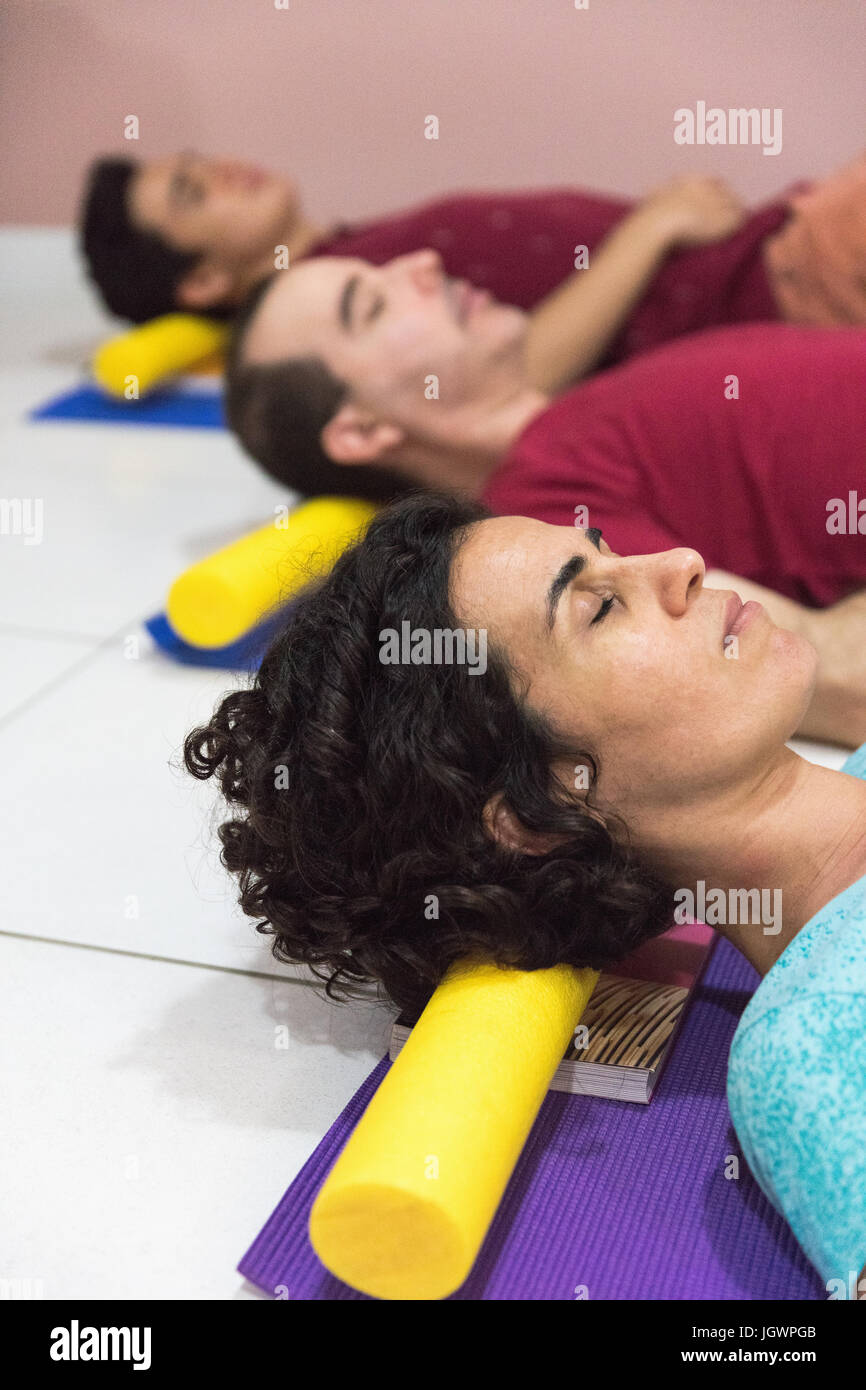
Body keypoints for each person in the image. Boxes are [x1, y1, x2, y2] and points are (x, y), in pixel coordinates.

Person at [183, 492, 866, 1293]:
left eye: (609, 548)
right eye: (602, 608)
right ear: (541, 812)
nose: (682, 565)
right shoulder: (814, 1047)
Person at [224, 249, 866, 747]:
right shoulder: (544, 519)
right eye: (371, 306)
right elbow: (820, 676)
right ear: (363, 429)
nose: (423, 263)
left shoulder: (582, 408)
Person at [79, 149, 866, 382]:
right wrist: (653, 228)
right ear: (205, 282)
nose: (219, 170)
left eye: (195, 163)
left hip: (775, 243)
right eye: (191, 193)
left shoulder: (358, 250)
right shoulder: (334, 307)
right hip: (776, 284)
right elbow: (518, 379)